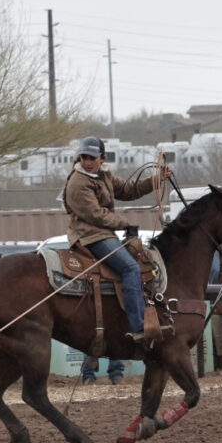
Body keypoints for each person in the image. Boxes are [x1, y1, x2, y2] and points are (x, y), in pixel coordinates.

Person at [61, 136, 169, 348]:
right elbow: (95, 215)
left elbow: (129, 190)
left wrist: (157, 179)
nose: (87, 161)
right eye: (84, 157)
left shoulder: (104, 175)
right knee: (130, 268)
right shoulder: (78, 182)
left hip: (104, 233)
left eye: (92, 157)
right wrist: (125, 223)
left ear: (102, 158)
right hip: (90, 235)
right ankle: (138, 326)